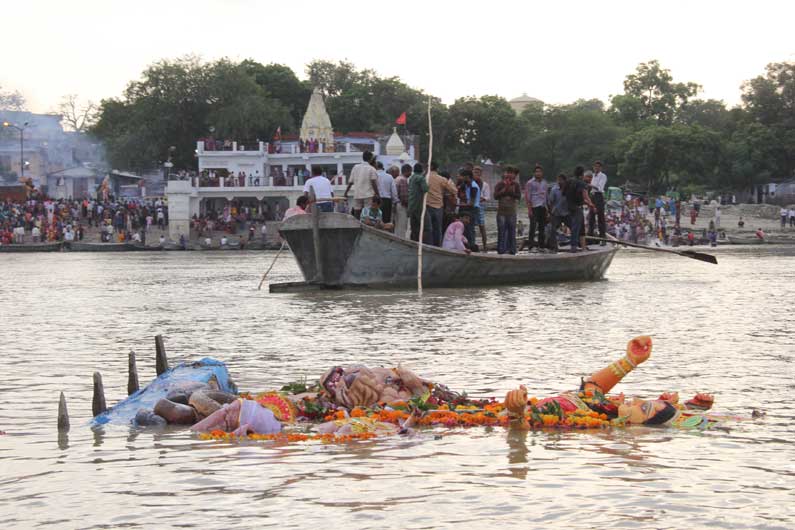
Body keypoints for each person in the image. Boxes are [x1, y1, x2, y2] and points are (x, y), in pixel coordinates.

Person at [426, 161, 458, 246]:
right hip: (438, 206)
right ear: (436, 168)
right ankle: (438, 246)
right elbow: (454, 190)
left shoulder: (424, 178)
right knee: (438, 228)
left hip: (427, 206)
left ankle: (429, 245)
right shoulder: (441, 179)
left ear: (430, 167)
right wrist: (445, 193)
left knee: (428, 228)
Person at [493, 165, 521, 255]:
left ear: (513, 175)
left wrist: (511, 192)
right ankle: (501, 250)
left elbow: (518, 196)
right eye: (508, 172)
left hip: (512, 211)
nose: (509, 175)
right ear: (505, 174)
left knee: (512, 232)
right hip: (501, 212)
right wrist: (504, 190)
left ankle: (512, 250)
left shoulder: (516, 185)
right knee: (501, 231)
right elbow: (495, 196)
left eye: (511, 173)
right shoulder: (500, 184)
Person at [566, 166, 595, 252]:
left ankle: (583, 246)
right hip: (577, 207)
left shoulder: (569, 181)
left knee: (580, 227)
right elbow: (585, 196)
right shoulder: (581, 183)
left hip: (569, 206)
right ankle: (573, 246)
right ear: (582, 175)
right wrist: (591, 204)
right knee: (576, 227)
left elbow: (564, 193)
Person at [344, 151, 379, 219]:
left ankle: (357, 224)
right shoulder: (371, 169)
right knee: (367, 213)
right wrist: (377, 194)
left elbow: (350, 182)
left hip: (357, 194)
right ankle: (365, 224)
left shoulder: (355, 167)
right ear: (371, 158)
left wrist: (346, 193)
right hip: (368, 195)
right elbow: (373, 183)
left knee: (357, 211)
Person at [525, 165, 548, 251]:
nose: (538, 173)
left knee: (542, 227)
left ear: (542, 173)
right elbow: (528, 197)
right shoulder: (530, 183)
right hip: (534, 206)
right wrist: (529, 210)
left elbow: (546, 196)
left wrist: (547, 209)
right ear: (534, 173)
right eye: (536, 172)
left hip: (542, 206)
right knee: (533, 227)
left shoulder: (544, 183)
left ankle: (541, 246)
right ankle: (531, 246)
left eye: (540, 172)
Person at [545, 174, 569, 253]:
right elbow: (550, 202)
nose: (559, 182)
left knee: (574, 227)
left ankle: (575, 245)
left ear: (565, 181)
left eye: (561, 180)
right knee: (553, 230)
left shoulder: (569, 189)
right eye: (558, 180)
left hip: (567, 213)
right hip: (556, 213)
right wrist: (550, 213)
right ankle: (553, 247)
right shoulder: (554, 190)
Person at [458, 169, 480, 250]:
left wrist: (458, 204)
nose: (461, 178)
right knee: (465, 229)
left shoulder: (474, 187)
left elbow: (471, 203)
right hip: (467, 208)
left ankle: (471, 246)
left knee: (470, 229)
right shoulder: (466, 185)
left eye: (462, 176)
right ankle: (466, 246)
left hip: (472, 209)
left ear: (467, 177)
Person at [408, 163, 430, 243]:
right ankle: (422, 243)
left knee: (414, 227)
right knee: (427, 227)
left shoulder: (412, 177)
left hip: (411, 205)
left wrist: (425, 174)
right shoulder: (421, 178)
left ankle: (413, 242)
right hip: (419, 205)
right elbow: (425, 189)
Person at [588, 161, 607, 244]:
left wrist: (589, 185)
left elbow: (600, 188)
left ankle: (603, 238)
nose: (596, 168)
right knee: (591, 218)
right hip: (592, 196)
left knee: (600, 218)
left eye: (598, 166)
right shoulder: (592, 176)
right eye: (595, 166)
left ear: (601, 168)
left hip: (599, 196)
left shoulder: (603, 176)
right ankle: (590, 238)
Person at [473, 166, 489, 250]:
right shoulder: (470, 183)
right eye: (475, 172)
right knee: (471, 226)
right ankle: (472, 243)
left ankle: (485, 246)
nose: (476, 173)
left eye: (478, 172)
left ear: (481, 174)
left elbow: (487, 197)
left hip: (480, 206)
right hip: (471, 206)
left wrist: (479, 199)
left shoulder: (485, 184)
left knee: (481, 226)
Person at [393, 164, 411, 239]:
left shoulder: (397, 178)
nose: (411, 173)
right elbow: (404, 196)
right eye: (410, 171)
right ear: (407, 171)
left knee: (397, 225)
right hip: (402, 205)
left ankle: (396, 239)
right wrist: (408, 206)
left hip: (396, 204)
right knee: (402, 225)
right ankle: (401, 240)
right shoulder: (403, 180)